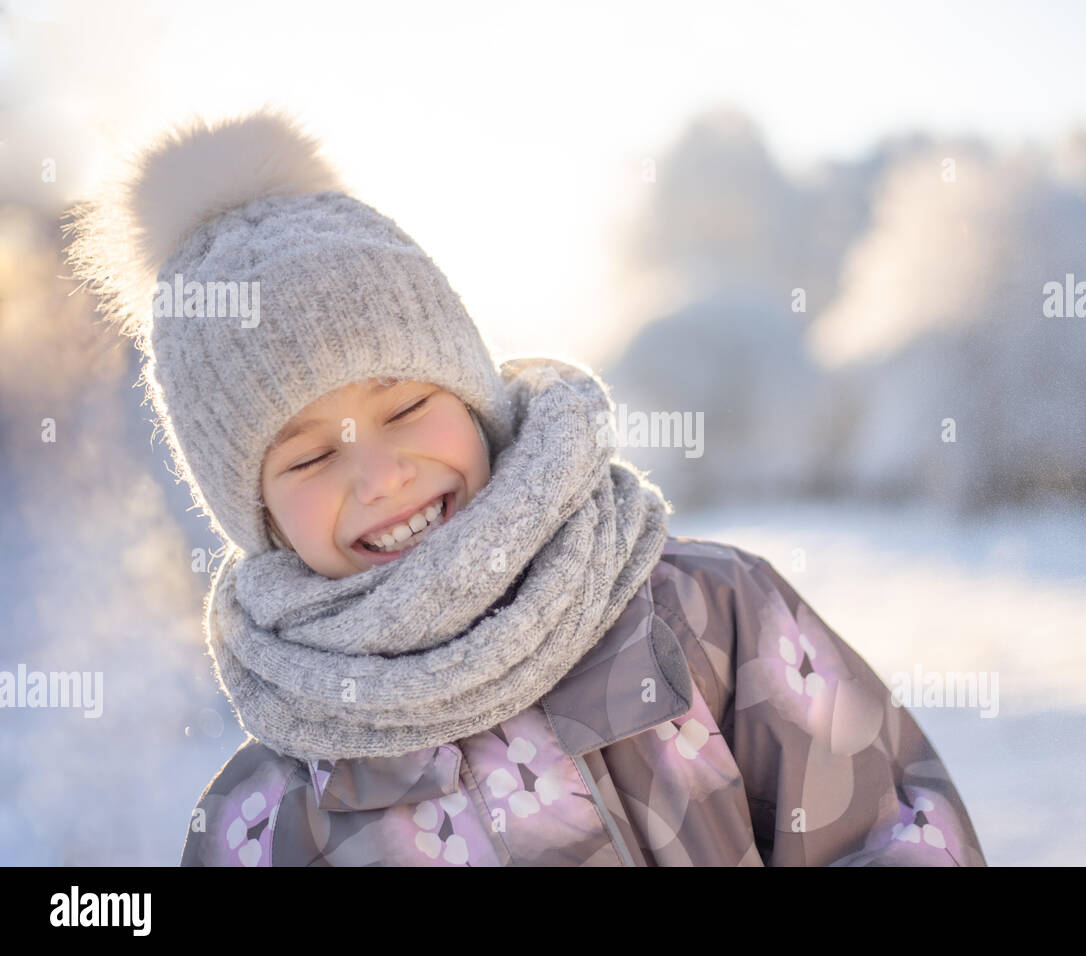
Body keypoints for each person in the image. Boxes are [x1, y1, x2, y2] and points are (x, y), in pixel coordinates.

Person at [65, 106, 987, 867]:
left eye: (406, 407)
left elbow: (895, 837)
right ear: (256, 514)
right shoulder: (267, 820)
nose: (379, 475)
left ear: (476, 399)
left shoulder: (710, 621)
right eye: (307, 457)